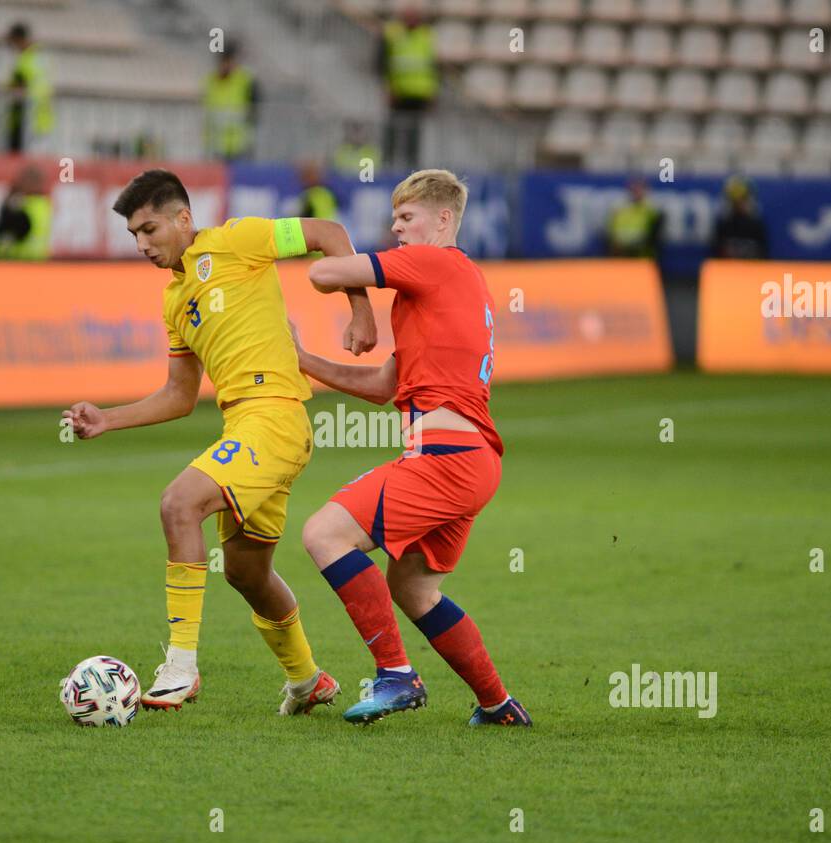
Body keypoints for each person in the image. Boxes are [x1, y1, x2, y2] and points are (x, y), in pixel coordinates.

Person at [63, 169, 372, 715]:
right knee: (246, 573)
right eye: (134, 235)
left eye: (150, 229)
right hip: (245, 428)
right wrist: (107, 420)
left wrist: (360, 310)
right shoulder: (175, 301)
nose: (142, 244)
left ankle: (180, 666)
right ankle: (307, 681)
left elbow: (327, 230)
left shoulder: (235, 240)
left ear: (184, 218)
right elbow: (180, 396)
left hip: (275, 418)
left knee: (179, 502)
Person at [291, 169, 531, 728]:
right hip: (472, 461)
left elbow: (323, 270)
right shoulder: (454, 283)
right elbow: (382, 387)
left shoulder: (434, 262)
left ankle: (396, 675)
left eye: (407, 218)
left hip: (444, 459)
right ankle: (498, 705)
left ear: (443, 220)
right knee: (415, 587)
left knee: (323, 533)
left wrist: (361, 307)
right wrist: (304, 360)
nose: (396, 228)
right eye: (394, 218)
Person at [379, 7, 438, 169]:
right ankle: (388, 163)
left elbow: (432, 66)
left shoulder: (425, 35)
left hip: (420, 92)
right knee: (393, 128)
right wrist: (388, 87)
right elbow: (384, 63)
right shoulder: (393, 34)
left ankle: (412, 166)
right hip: (398, 92)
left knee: (415, 133)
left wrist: (432, 92)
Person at [5, 22, 54, 154]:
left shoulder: (23, 62)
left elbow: (17, 89)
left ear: (19, 39)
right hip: (42, 118)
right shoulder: (40, 58)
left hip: (25, 121)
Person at [203, 49, 258, 161]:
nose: (226, 66)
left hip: (238, 141)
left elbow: (255, 98)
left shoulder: (243, 79)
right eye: (224, 62)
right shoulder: (211, 80)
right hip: (216, 140)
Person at [0, 165, 51, 260]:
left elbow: (7, 229)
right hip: (37, 262)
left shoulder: (22, 205)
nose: (17, 183)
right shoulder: (44, 205)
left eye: (21, 180)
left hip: (17, 261)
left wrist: (8, 202)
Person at [711, 176, 769, 259]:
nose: (738, 204)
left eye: (742, 199)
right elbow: (716, 256)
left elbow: (764, 257)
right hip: (728, 270)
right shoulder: (724, 227)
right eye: (735, 201)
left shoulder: (756, 227)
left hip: (751, 270)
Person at [606, 177, 663, 258]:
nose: (637, 192)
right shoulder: (620, 210)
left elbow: (655, 233)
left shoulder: (652, 210)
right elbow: (612, 232)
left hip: (643, 255)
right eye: (634, 190)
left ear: (646, 191)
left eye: (640, 189)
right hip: (622, 254)